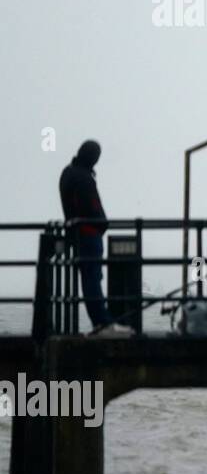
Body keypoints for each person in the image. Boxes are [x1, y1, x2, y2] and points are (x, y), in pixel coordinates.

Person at [59, 140, 127, 334]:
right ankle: (102, 323)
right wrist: (102, 224)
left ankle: (101, 321)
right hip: (89, 234)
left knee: (90, 278)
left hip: (79, 234)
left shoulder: (68, 173)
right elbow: (93, 209)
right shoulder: (83, 178)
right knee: (92, 278)